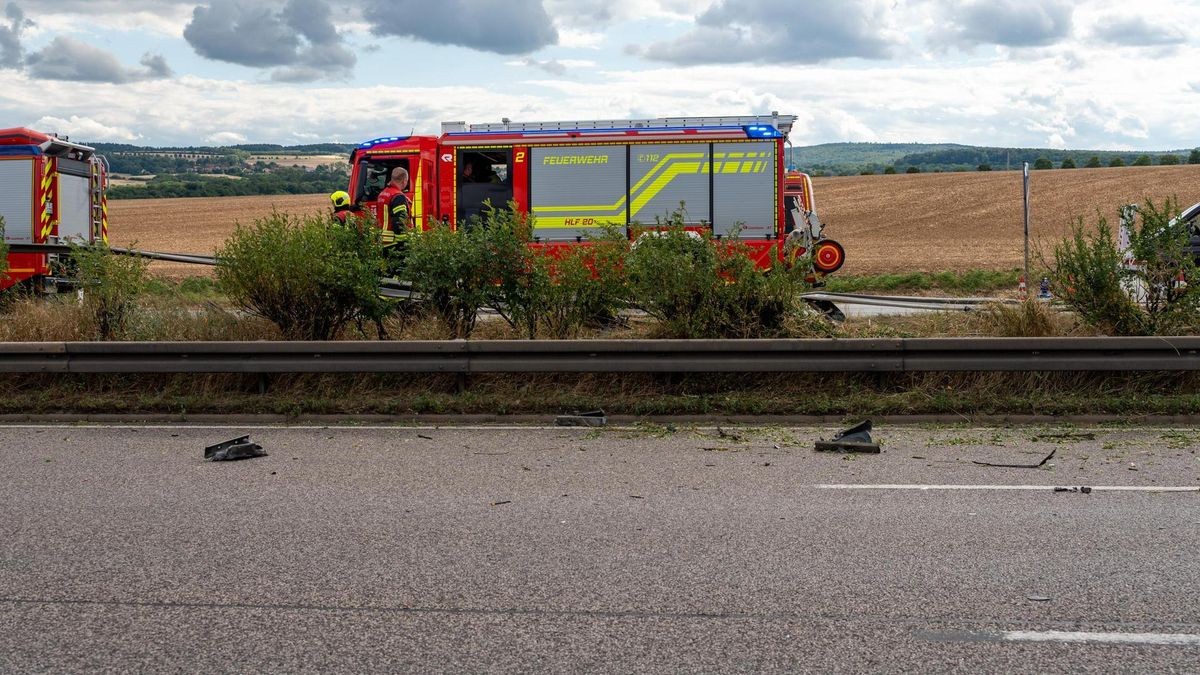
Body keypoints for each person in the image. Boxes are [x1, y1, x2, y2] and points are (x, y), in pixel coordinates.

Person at [376, 167, 411, 247]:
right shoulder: (398, 196)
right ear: (404, 181)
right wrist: (403, 243)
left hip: (382, 240)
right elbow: (399, 222)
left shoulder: (383, 193)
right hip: (393, 242)